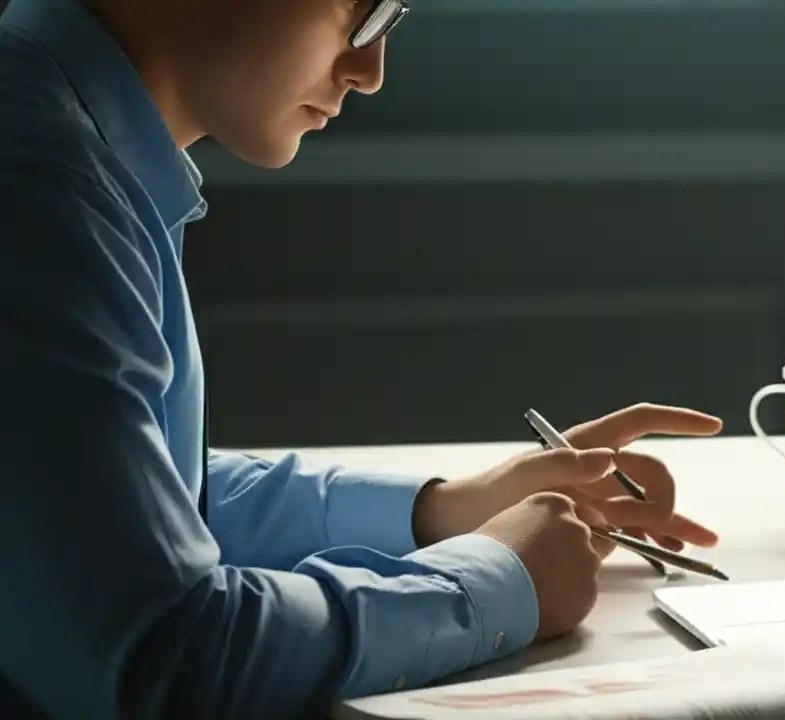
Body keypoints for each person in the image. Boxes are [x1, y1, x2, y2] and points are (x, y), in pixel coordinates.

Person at [0, 1, 723, 717]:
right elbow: (169, 658)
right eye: (360, 10)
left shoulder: (68, 137)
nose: (368, 70)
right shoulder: (37, 187)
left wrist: (443, 511)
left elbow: (137, 496)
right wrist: (496, 584)